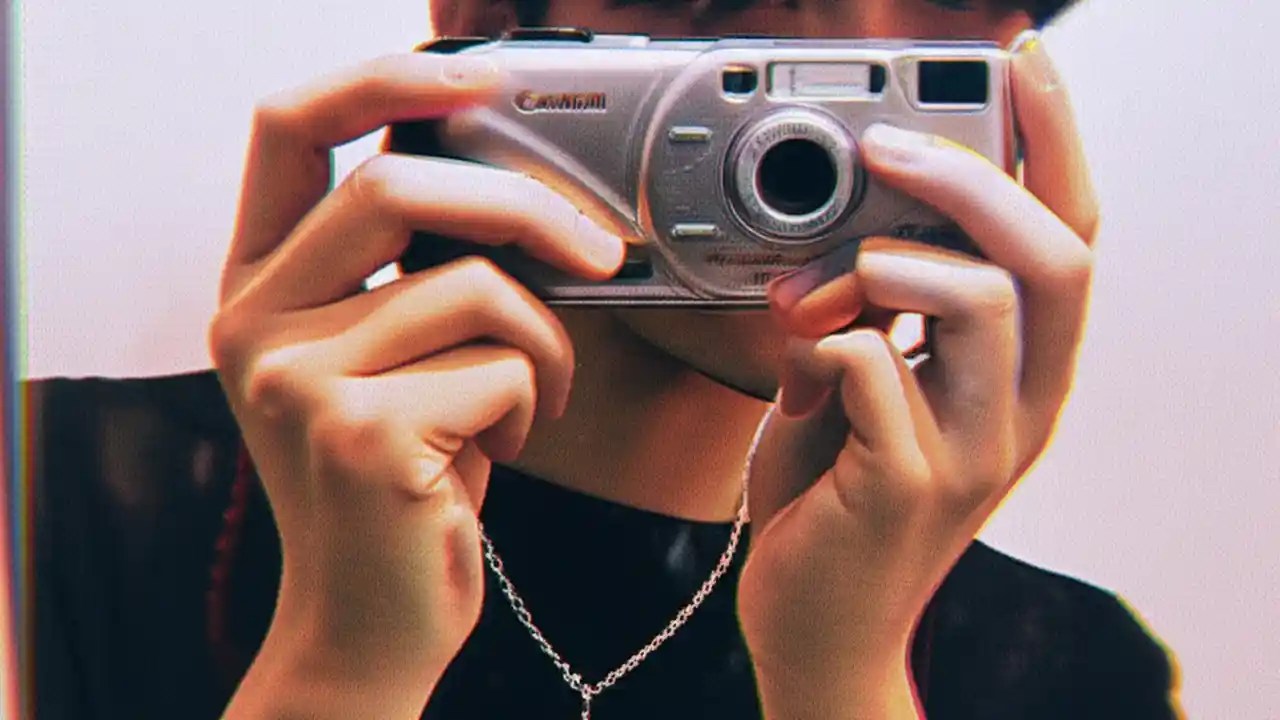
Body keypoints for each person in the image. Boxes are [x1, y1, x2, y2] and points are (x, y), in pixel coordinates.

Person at [32, 0, 1182, 718]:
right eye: (727, 10)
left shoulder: (1074, 673)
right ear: (486, 27)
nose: (826, 126)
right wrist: (340, 665)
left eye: (941, 15)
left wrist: (844, 683)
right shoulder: (47, 506)